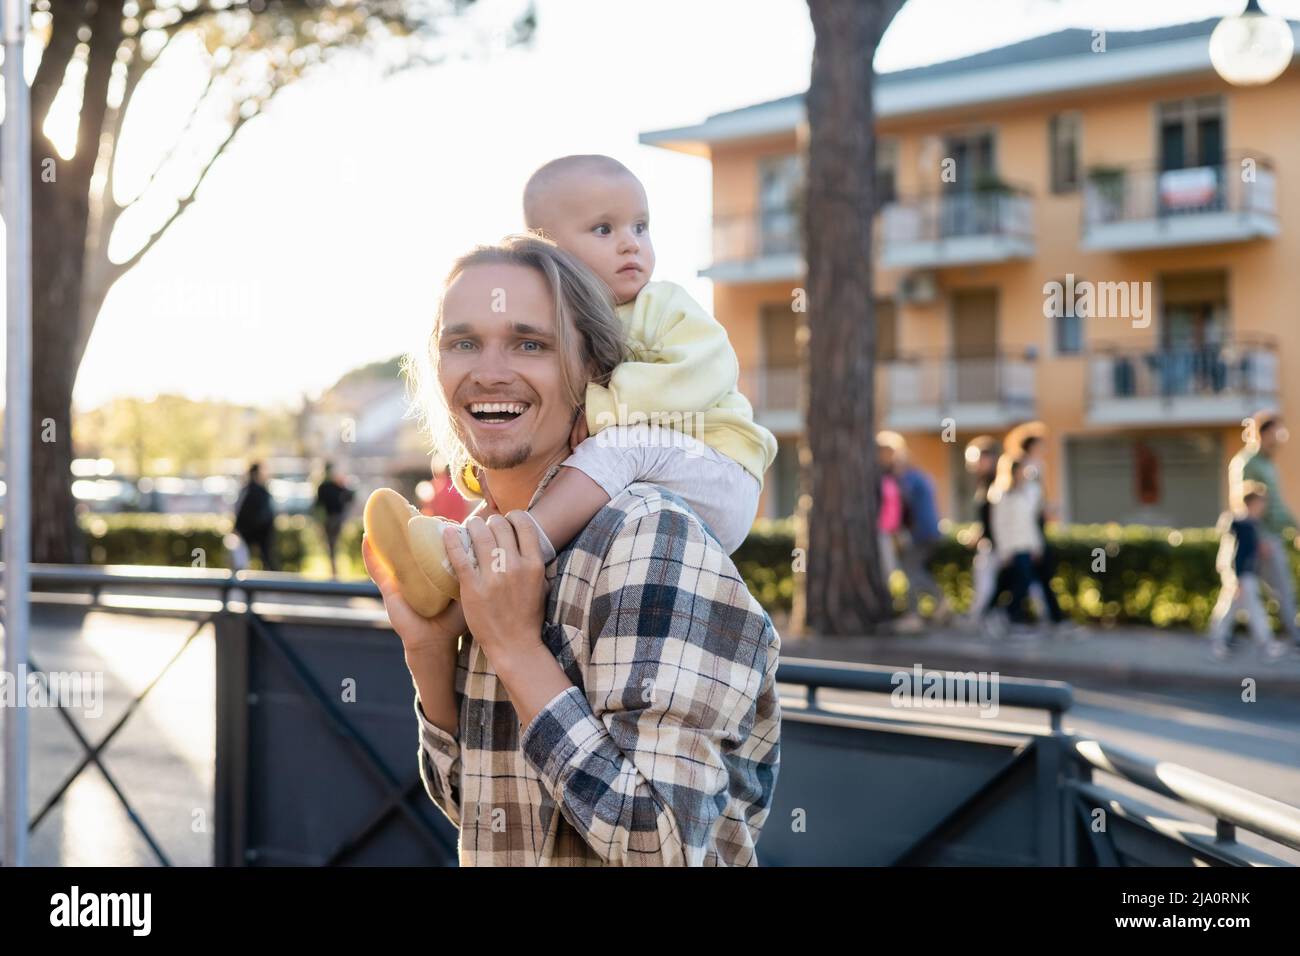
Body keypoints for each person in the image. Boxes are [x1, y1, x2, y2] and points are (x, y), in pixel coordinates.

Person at [366, 236, 781, 865]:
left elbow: (666, 851)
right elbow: (483, 810)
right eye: (463, 342)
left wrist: (514, 648)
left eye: (531, 343)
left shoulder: (650, 538)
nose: (490, 370)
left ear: (592, 371)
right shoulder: (494, 540)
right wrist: (427, 652)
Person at [399, 155, 778, 615]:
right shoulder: (563, 323)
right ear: (549, 252)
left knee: (615, 449)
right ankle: (453, 569)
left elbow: (700, 373)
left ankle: (525, 550)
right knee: (549, 481)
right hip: (653, 469)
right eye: (605, 230)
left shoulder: (663, 306)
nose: (630, 246)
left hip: (717, 465)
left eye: (640, 227)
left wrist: (600, 409)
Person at [1228, 410, 1299, 655]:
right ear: (1265, 432)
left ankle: (1222, 635)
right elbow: (1245, 504)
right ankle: (1294, 637)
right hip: (1263, 537)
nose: (1280, 437)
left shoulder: (1268, 464)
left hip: (1274, 535)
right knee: (1277, 588)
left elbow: (1277, 503)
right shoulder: (1247, 463)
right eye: (1277, 431)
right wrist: (1257, 539)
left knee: (1244, 590)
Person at [877, 430, 953, 633]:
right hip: (927, 530)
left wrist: (899, 532)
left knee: (911, 571)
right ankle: (928, 608)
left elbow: (905, 507)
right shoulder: (917, 476)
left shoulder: (906, 479)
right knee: (912, 570)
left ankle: (924, 609)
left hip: (920, 532)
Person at [1004, 421, 1071, 633]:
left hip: (1033, 528)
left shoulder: (1036, 467)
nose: (1044, 449)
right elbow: (1028, 503)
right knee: (1030, 574)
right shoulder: (1025, 467)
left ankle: (1050, 617)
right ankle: (1016, 615)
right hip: (1027, 531)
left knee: (1036, 575)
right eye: (1040, 445)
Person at [1208, 482, 1286, 662]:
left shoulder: (1251, 524)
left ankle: (1216, 638)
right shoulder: (1241, 524)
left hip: (1244, 574)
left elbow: (1251, 550)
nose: (1263, 507)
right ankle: (1265, 643)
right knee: (1254, 609)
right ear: (1250, 503)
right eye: (1260, 503)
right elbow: (1237, 554)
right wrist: (1238, 578)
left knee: (1230, 608)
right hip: (1242, 574)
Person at [988, 452, 1044, 635]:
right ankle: (1004, 614)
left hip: (1026, 545)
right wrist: (1004, 551)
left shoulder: (1029, 492)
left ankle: (1000, 614)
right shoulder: (1002, 494)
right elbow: (999, 525)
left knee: (1012, 582)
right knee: (1015, 581)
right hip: (1012, 547)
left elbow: (1030, 522)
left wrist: (1036, 545)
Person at [960, 435, 1005, 635]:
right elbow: (986, 519)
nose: (977, 464)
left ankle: (981, 619)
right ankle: (979, 618)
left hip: (998, 545)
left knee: (990, 585)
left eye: (981, 458)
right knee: (986, 583)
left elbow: (1000, 519)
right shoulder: (984, 483)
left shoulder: (1000, 484)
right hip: (988, 544)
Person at [233, 462, 277, 571]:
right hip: (259, 529)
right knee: (265, 557)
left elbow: (239, 509)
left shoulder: (249, 490)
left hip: (254, 529)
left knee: (254, 557)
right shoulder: (257, 490)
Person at [314, 462, 355, 578]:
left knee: (334, 544)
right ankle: (334, 569)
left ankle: (335, 569)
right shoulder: (325, 486)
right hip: (331, 518)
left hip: (334, 518)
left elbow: (349, 496)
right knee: (332, 544)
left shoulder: (332, 485)